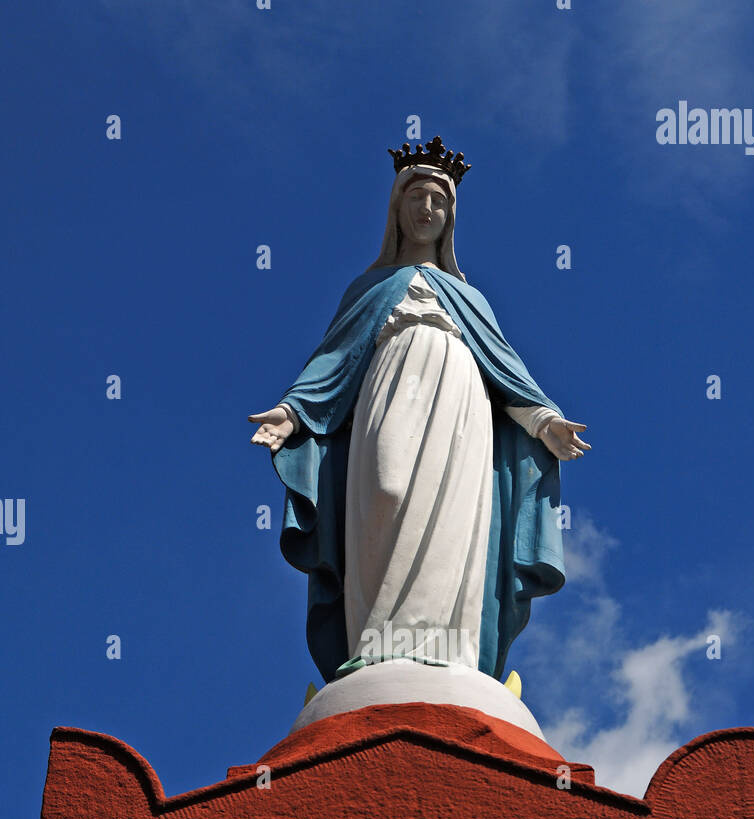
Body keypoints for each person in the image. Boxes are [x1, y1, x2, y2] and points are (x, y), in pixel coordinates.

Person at [249, 138, 590, 685]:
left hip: (460, 404)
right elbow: (333, 364)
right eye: (418, 198)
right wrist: (291, 414)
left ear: (450, 216)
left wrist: (545, 423)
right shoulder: (370, 287)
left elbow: (507, 375)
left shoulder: (470, 299)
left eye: (439, 201)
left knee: (454, 517)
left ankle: (448, 651)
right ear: (397, 209)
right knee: (385, 489)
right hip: (387, 393)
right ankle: (378, 641)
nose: (428, 209)